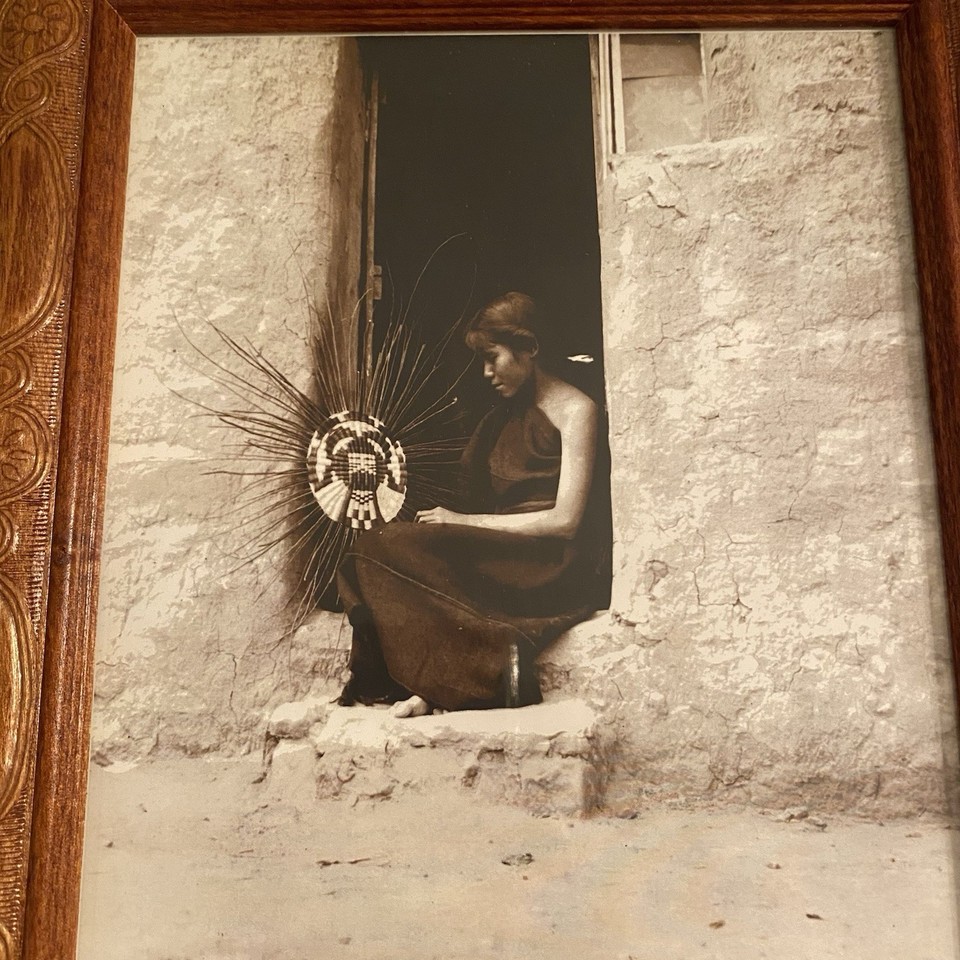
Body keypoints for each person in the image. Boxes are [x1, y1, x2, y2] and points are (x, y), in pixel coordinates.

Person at [336, 291, 610, 717]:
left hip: (550, 560)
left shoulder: (578, 411)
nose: (485, 372)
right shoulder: (499, 417)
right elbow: (468, 491)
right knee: (371, 544)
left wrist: (460, 523)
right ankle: (434, 684)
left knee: (394, 547)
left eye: (492, 357)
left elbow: (566, 521)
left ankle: (450, 687)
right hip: (501, 546)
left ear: (531, 349)